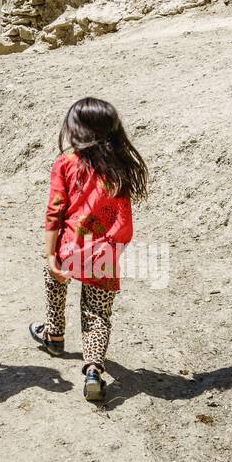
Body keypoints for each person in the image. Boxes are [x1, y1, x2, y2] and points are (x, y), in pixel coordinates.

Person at [29, 97, 148, 403]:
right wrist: (112, 251)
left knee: (53, 276)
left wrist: (50, 254)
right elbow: (125, 224)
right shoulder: (119, 168)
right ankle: (94, 369)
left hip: (71, 247)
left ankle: (53, 335)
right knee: (97, 314)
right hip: (105, 253)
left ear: (77, 131)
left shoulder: (65, 164)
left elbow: (54, 211)